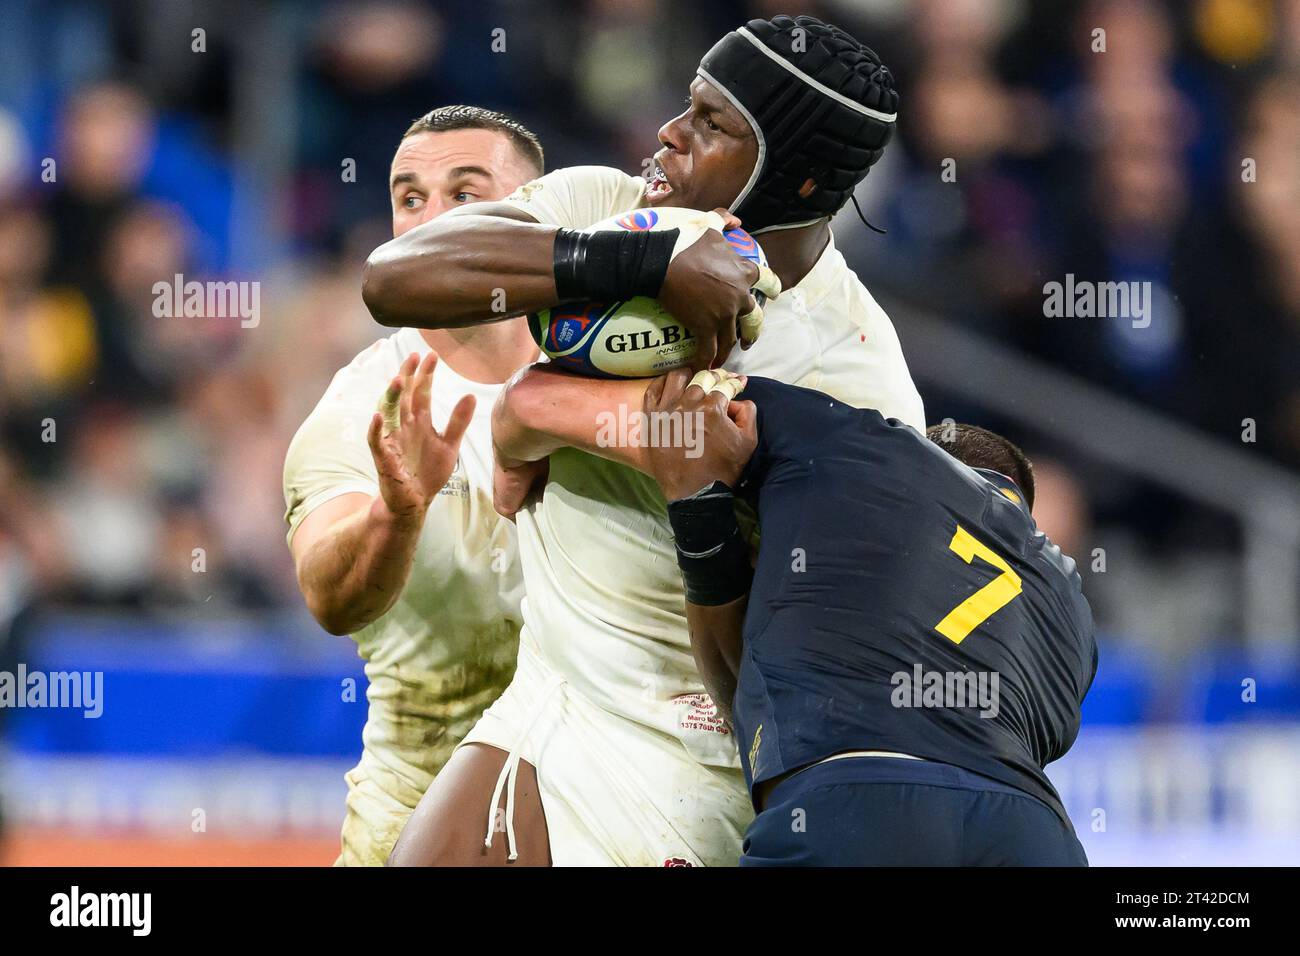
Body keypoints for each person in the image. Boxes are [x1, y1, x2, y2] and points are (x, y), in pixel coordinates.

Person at [381, 16, 925, 867]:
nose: (670, 132)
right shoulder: (616, 207)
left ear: (800, 180)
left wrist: (563, 421)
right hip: (546, 696)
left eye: (714, 125)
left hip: (680, 762)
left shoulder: (852, 381)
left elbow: (801, 689)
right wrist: (632, 266)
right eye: (688, 105)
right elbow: (397, 277)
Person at [634, 368, 1096, 865]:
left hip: (859, 805)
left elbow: (691, 415)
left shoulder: (872, 447)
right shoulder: (1074, 609)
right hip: (1035, 832)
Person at [282, 106, 543, 866]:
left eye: (465, 194)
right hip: (417, 823)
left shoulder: (611, 375)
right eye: (409, 198)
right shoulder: (358, 411)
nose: (430, 220)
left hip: (601, 811)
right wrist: (399, 515)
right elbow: (331, 598)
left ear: (536, 216)